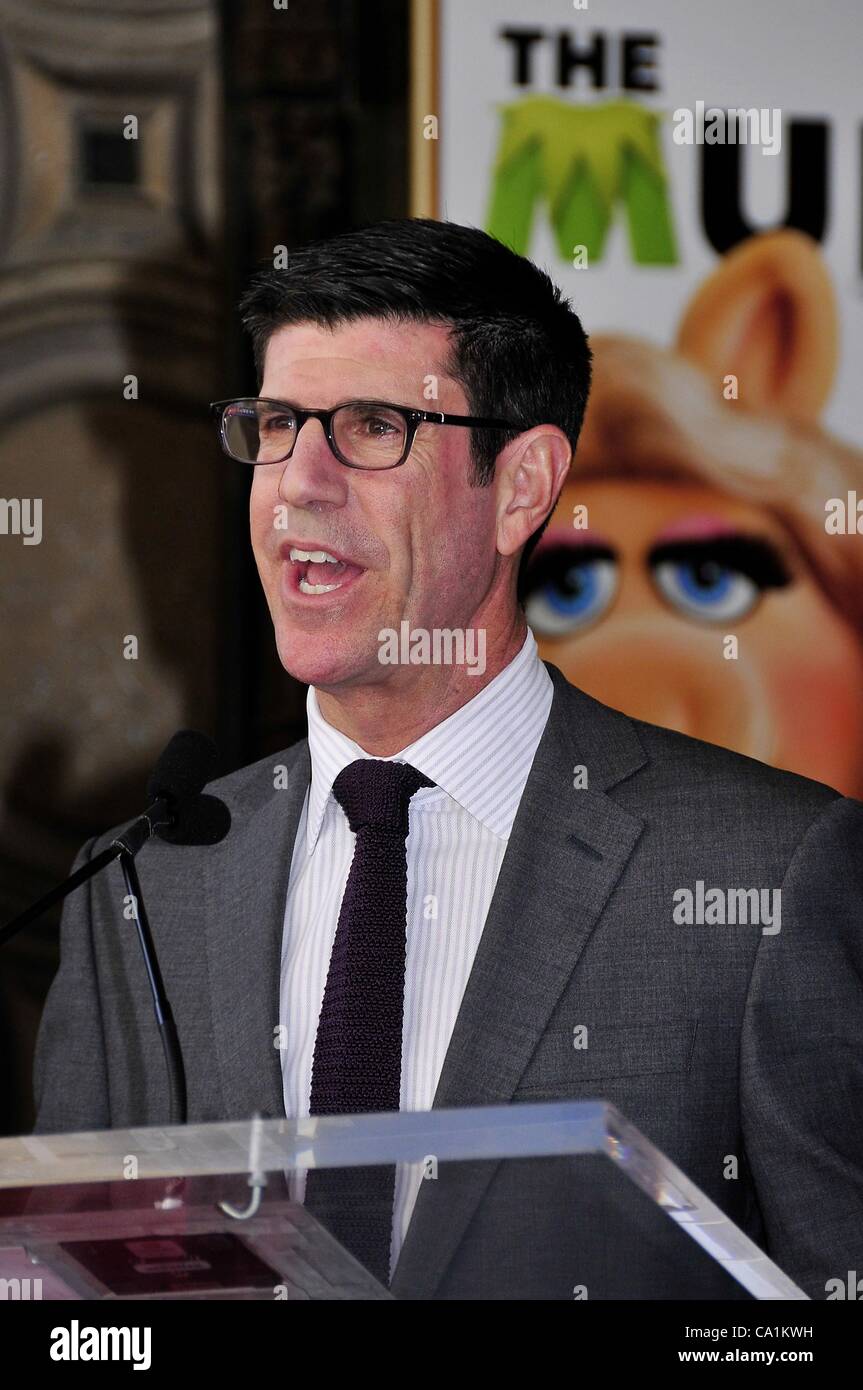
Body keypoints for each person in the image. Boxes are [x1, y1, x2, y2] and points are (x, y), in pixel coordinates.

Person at [33, 218, 863, 1300]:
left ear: (521, 486)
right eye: (277, 425)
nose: (297, 485)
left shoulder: (767, 870)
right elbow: (76, 1302)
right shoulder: (145, 880)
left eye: (370, 427)